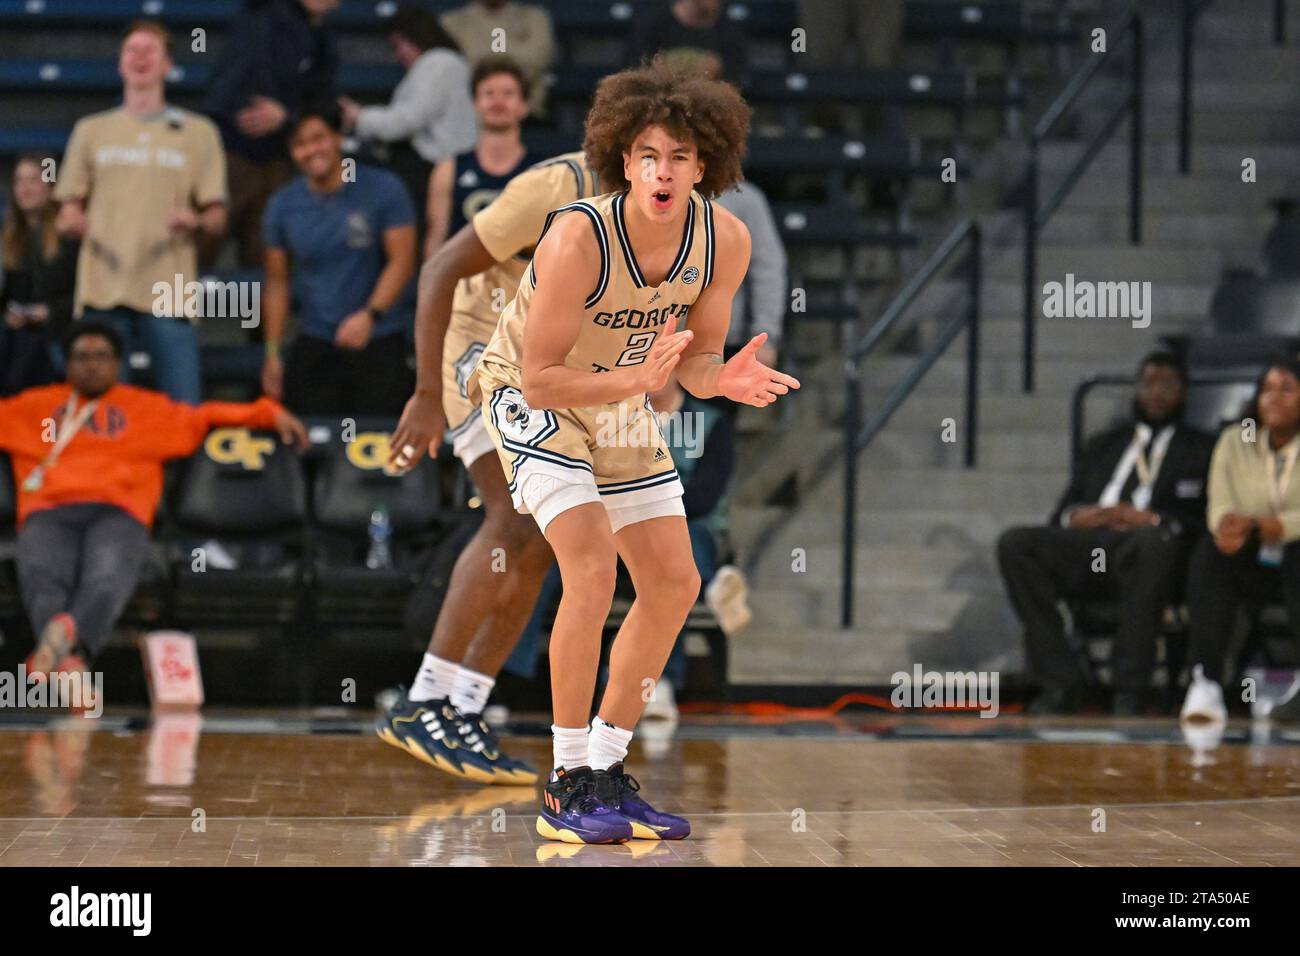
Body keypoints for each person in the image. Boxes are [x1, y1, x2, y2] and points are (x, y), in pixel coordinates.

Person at [471, 60, 797, 843]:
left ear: (704, 167)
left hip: (616, 396)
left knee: (674, 580)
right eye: (649, 154)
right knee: (588, 567)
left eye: (680, 158)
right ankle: (562, 781)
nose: (663, 170)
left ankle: (607, 768)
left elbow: (693, 362)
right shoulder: (580, 235)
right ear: (624, 158)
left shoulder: (725, 237)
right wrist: (633, 378)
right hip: (531, 391)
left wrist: (725, 379)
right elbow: (544, 381)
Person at [376, 148, 605, 786]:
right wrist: (425, 392)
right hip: (474, 344)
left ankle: (465, 706)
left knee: (539, 535)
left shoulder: (663, 209)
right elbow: (438, 269)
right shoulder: (558, 184)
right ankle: (423, 699)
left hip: (538, 357)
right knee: (510, 517)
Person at [0, 322, 308, 684]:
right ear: (66, 364)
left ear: (118, 363)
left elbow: (205, 416)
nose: (92, 366)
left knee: (107, 576)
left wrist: (267, 412)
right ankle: (73, 662)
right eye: (82, 357)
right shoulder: (32, 407)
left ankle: (63, 644)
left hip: (118, 512)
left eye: (101, 357)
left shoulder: (147, 409)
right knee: (42, 577)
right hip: (49, 511)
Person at [997, 352, 1215, 715]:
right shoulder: (1104, 444)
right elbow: (1061, 513)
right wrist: (1076, 517)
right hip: (1089, 550)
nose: (1155, 393)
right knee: (1017, 544)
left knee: (1152, 545)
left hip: (1149, 552)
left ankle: (1129, 688)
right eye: (1148, 383)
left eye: (1167, 385)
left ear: (1184, 393)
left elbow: (1204, 521)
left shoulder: (1201, 449)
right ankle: (1060, 681)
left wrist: (1151, 519)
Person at [54, 20, 228, 405]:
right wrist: (72, 222)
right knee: (102, 411)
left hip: (169, 291)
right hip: (103, 288)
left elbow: (217, 217)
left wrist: (196, 222)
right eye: (132, 50)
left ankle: (180, 469)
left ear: (168, 65)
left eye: (151, 50)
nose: (140, 58)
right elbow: (67, 211)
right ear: (120, 64)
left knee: (183, 408)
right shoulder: (91, 130)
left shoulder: (200, 133)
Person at [260, 106, 417, 417]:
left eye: (318, 139)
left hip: (380, 333)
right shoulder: (282, 206)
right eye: (300, 145)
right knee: (310, 443)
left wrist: (369, 316)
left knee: (380, 444)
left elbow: (402, 261)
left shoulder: (384, 189)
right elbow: (277, 282)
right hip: (317, 335)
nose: (311, 150)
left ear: (338, 139)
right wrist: (272, 351)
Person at [1182, 358, 1300, 725]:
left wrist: (1274, 525)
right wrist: (1226, 527)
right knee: (1210, 552)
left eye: (1287, 388)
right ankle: (1206, 681)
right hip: (1250, 557)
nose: (1274, 397)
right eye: (1266, 389)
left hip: (1294, 552)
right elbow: (1219, 500)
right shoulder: (1238, 438)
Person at [203, 0, 340, 268]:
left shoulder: (322, 39)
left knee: (268, 260)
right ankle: (170, 309)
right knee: (203, 242)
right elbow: (227, 89)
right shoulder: (264, 16)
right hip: (233, 152)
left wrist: (287, 115)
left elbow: (325, 103)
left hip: (279, 161)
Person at [339, 3, 477, 242]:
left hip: (432, 171)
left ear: (415, 36)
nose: (397, 54)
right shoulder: (445, 63)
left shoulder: (439, 62)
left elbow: (406, 121)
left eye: (397, 45)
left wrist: (359, 116)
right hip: (439, 169)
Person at [424, 56, 532, 260]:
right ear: (475, 104)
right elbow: (435, 241)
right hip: (465, 287)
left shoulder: (544, 172)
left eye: (508, 94)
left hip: (523, 286)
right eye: (489, 93)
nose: (498, 101)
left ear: (524, 106)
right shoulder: (448, 169)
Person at [1, 154, 78, 395]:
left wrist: (50, 313)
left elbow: (84, 293)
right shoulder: (8, 237)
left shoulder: (70, 237)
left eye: (33, 180)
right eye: (19, 181)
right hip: (14, 338)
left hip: (57, 334)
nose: (24, 188)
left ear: (52, 186)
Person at [441, 0, 556, 123]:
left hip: (529, 114)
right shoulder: (452, 22)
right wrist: (512, 57)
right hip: (468, 116)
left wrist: (484, 60)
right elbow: (452, 70)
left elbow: (538, 59)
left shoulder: (535, 18)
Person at [714, 179, 784, 366]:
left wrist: (764, 337)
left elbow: (767, 269)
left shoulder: (746, 200)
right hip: (666, 342)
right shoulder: (649, 196)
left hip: (730, 344)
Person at [629, 0, 748, 86]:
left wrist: (720, 70)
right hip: (659, 102)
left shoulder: (730, 31)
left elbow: (737, 76)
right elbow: (634, 68)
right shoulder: (653, 25)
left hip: (709, 106)